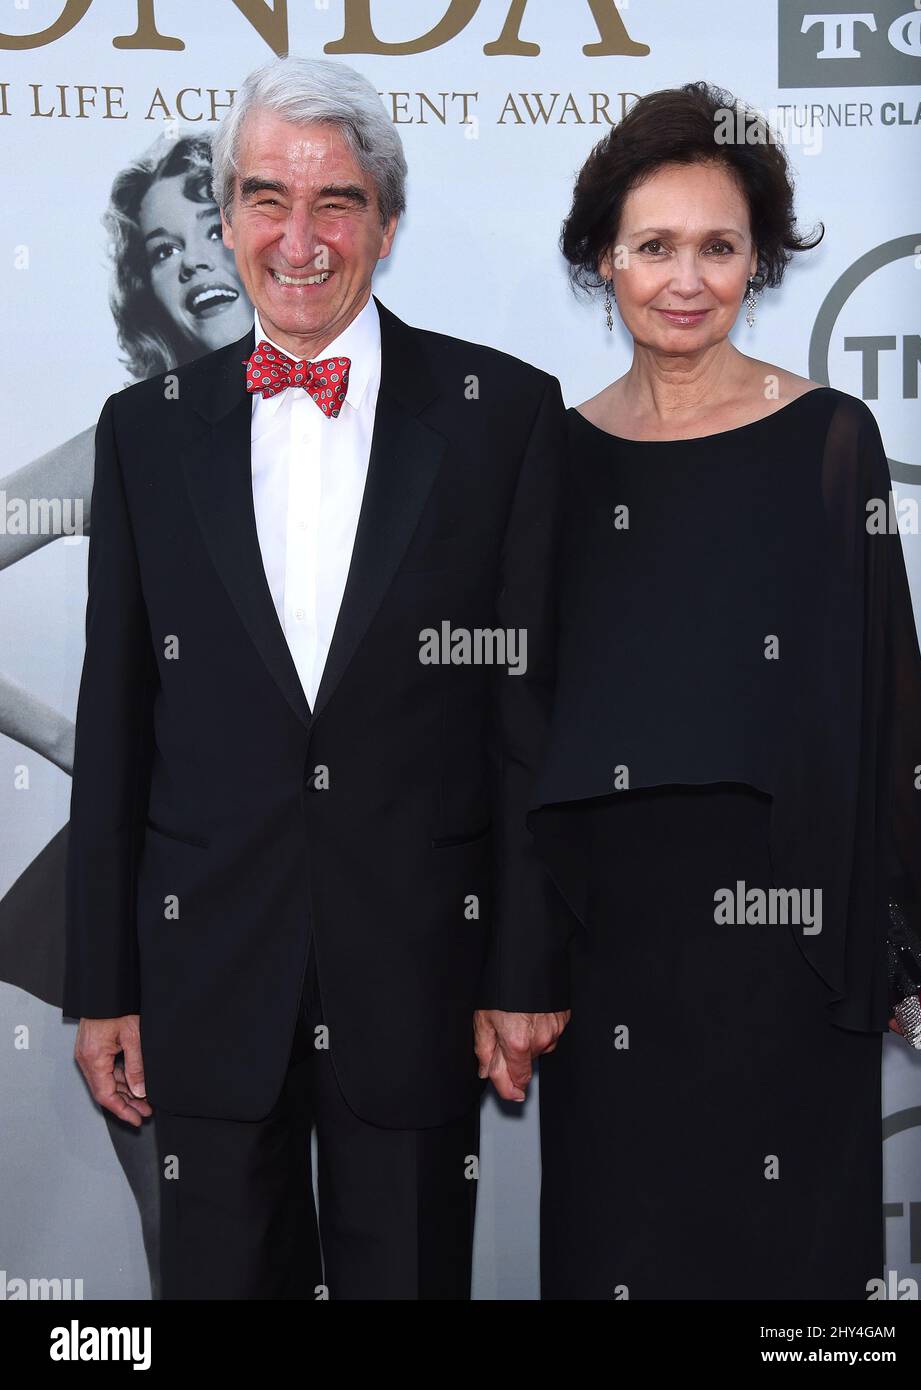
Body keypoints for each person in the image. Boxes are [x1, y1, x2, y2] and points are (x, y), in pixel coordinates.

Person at [63, 54, 570, 1301]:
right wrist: (101, 985)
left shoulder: (502, 415)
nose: (299, 238)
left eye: (335, 200)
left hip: (419, 973)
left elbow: (527, 724)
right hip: (205, 974)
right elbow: (117, 719)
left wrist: (520, 967)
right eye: (265, 199)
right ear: (229, 216)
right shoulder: (144, 430)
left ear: (386, 225)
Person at [527, 82, 921, 1300]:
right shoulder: (551, 458)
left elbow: (887, 695)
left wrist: (916, 931)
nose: (685, 278)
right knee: (621, 1249)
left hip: (788, 931)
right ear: (602, 257)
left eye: (718, 246)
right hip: (610, 939)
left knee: (790, 1269)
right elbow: (518, 711)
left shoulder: (827, 436)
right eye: (654, 245)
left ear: (756, 260)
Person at [0, 131, 253, 1299]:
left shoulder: (418, 426)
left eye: (211, 226)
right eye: (162, 248)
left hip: (360, 873)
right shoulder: (128, 438)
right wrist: (68, 742)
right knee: (186, 1231)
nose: (194, 262)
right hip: (156, 877)